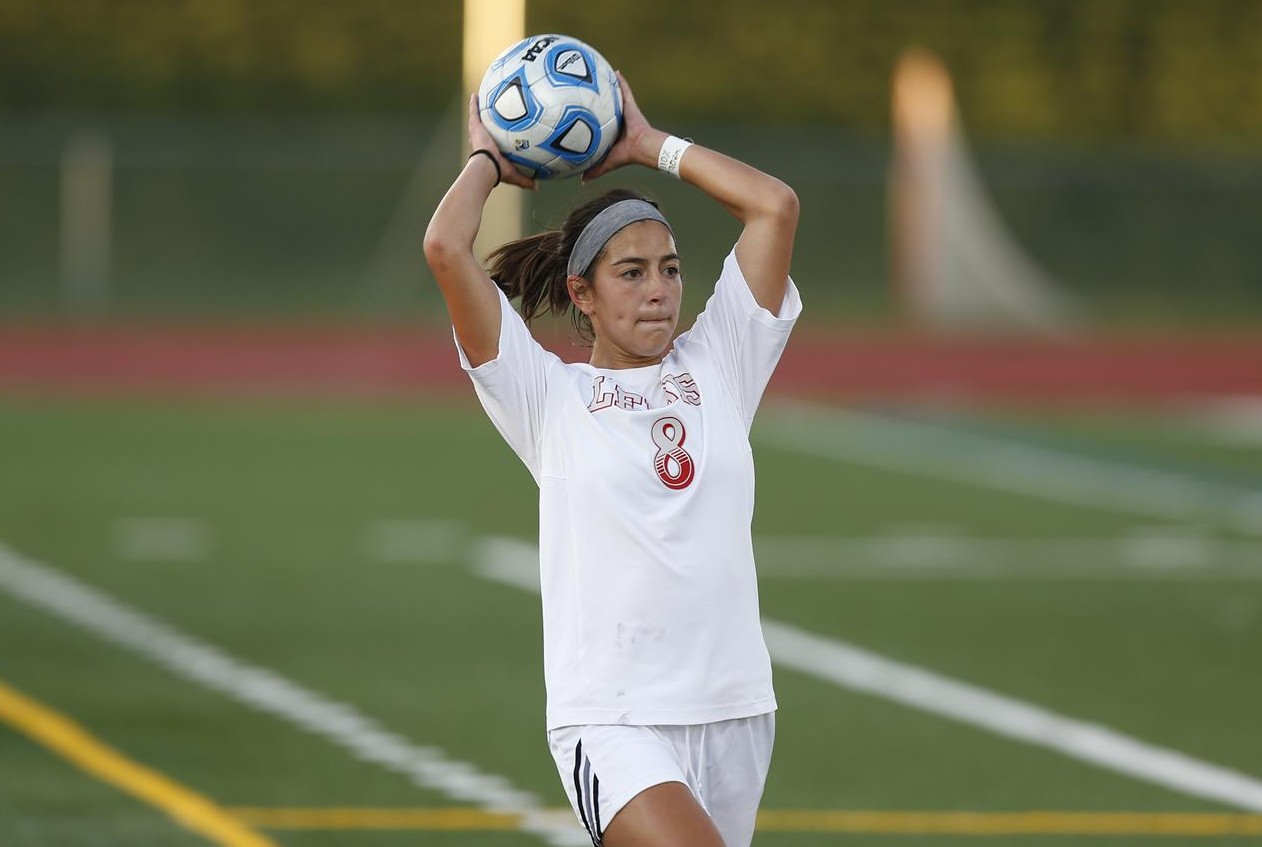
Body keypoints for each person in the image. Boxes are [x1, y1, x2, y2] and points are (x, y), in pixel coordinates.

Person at [423, 72, 800, 847]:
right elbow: (445, 247)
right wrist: (489, 159)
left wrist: (647, 145)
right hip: (613, 717)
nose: (658, 289)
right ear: (583, 294)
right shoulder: (548, 396)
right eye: (631, 272)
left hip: (734, 708)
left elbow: (774, 205)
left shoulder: (721, 363)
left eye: (670, 267)